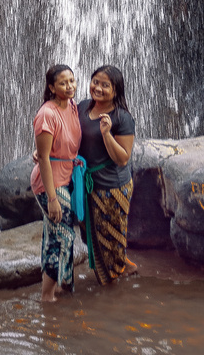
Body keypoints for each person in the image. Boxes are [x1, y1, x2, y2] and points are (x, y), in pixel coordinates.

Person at [77, 64, 135, 285]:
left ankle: (117, 287)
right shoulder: (82, 107)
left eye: (105, 85)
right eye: (95, 82)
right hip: (87, 185)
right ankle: (115, 275)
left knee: (112, 239)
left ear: (116, 90)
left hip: (112, 188)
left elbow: (123, 158)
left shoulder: (122, 118)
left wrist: (107, 133)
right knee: (93, 237)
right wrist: (42, 150)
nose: (98, 88)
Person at [30, 64, 82, 302]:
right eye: (63, 83)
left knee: (57, 235)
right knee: (63, 236)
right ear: (51, 87)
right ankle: (47, 296)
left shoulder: (71, 106)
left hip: (67, 176)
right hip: (50, 183)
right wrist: (52, 198)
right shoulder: (47, 114)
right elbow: (43, 157)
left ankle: (60, 286)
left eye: (71, 81)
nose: (69, 86)